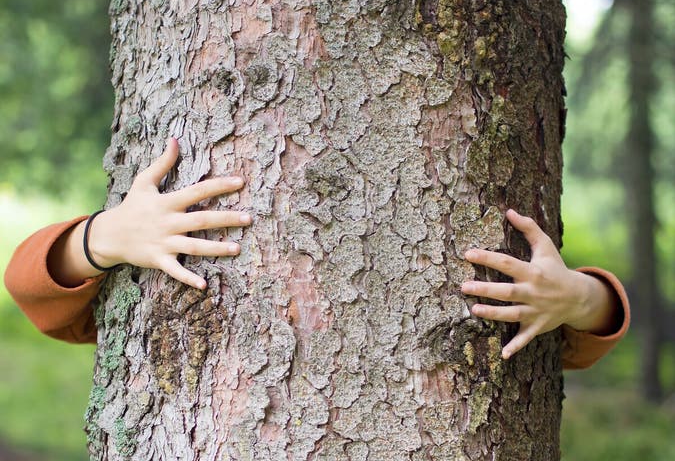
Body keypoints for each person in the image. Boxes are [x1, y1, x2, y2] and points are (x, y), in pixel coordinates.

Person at [3, 138, 629, 368]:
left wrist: (579, 293)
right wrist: (105, 237)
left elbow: (574, 339)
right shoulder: (146, 260)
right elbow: (34, 291)